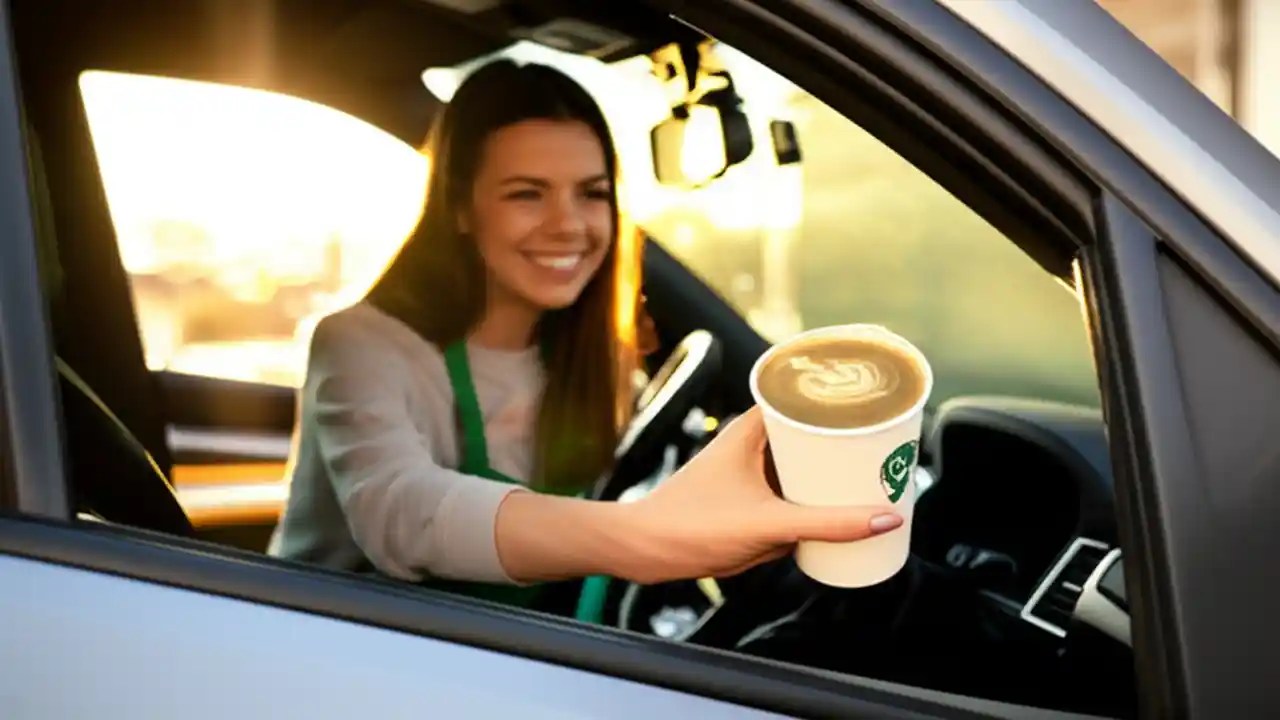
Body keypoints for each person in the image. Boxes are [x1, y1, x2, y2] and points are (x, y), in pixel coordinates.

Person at [268, 60, 902, 606]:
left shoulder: (588, 356)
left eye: (592, 194)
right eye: (527, 194)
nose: (568, 224)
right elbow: (403, 514)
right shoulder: (361, 344)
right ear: (459, 207)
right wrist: (648, 536)